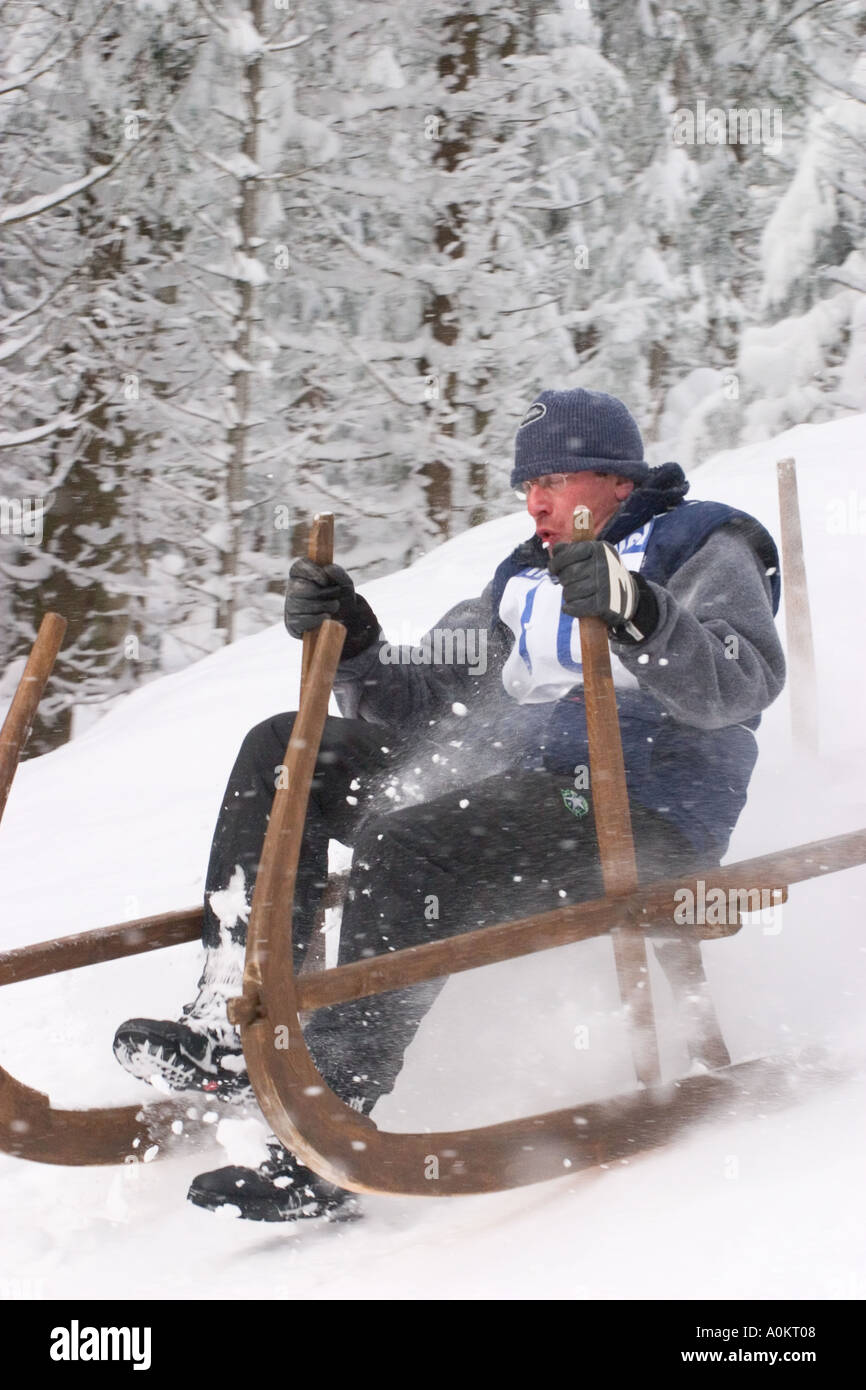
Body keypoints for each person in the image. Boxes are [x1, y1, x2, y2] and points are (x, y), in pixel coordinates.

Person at [114, 387, 786, 1222]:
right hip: (518, 793)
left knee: (406, 846)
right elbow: (426, 701)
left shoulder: (702, 541)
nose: (537, 500)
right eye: (526, 485)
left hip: (641, 815)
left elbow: (740, 683)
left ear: (617, 480)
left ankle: (331, 1115)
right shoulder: (522, 576)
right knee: (289, 747)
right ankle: (234, 1024)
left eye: (557, 478)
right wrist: (353, 639)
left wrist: (639, 611)